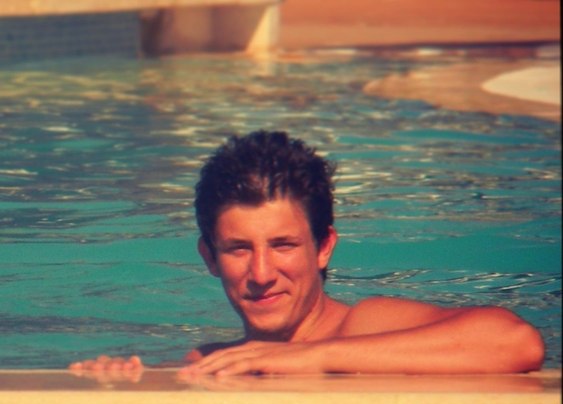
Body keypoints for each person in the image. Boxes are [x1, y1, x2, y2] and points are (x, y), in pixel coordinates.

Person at [70, 130, 544, 379]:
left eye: (283, 245)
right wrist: (118, 378)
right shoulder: (212, 358)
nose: (261, 273)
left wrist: (312, 357)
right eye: (238, 248)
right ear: (209, 258)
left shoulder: (361, 325)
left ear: (324, 247)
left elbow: (515, 341)